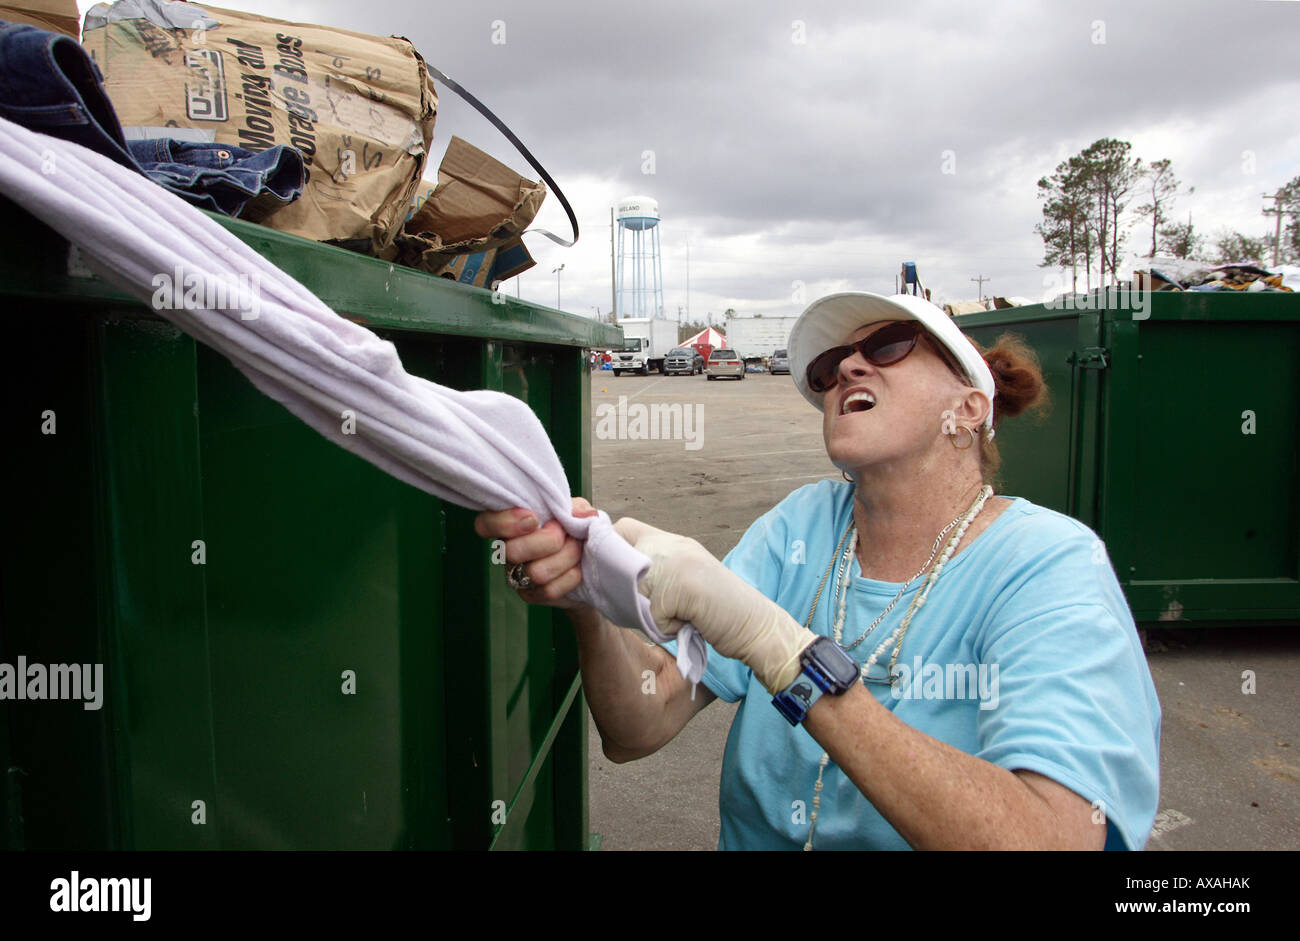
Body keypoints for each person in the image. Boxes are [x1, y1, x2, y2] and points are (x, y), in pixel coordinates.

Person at [476, 291, 1161, 851]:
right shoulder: (802, 526)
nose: (848, 370)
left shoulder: (1048, 565)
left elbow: (1061, 836)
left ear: (969, 407)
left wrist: (778, 646)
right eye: (832, 364)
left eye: (888, 345)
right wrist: (589, 601)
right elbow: (639, 726)